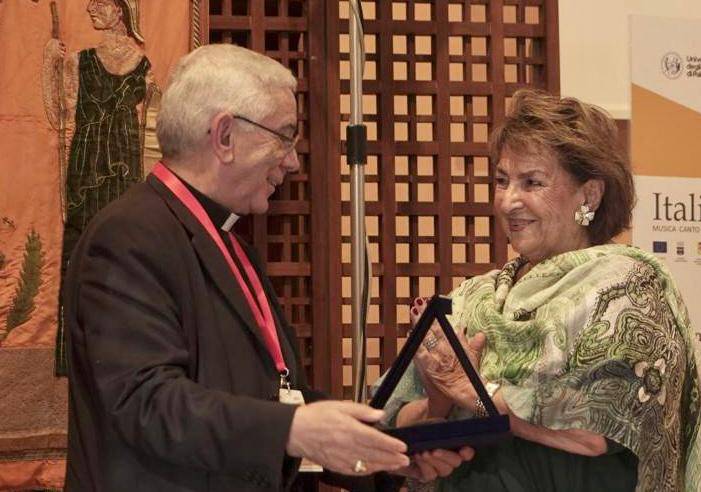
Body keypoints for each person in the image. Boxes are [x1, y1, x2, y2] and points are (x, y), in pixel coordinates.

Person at [63, 43, 471, 491]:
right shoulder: (129, 235)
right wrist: (293, 428)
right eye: (284, 135)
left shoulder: (231, 244)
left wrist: (384, 454)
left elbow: (271, 396)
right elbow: (146, 402)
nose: (293, 160)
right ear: (224, 137)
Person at [379, 90, 701, 491]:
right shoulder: (473, 298)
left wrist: (472, 392)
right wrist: (436, 408)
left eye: (533, 182)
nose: (509, 201)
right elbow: (389, 417)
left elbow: (593, 428)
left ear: (589, 195)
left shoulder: (626, 287)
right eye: (501, 181)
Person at [43, 0, 160, 374]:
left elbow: (154, 132)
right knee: (80, 252)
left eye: (102, 3)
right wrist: (50, 62)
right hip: (86, 167)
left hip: (124, 167)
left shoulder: (144, 67)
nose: (91, 8)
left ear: (121, 11)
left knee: (123, 253)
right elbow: (58, 113)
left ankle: (124, 351)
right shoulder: (79, 61)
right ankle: (75, 355)